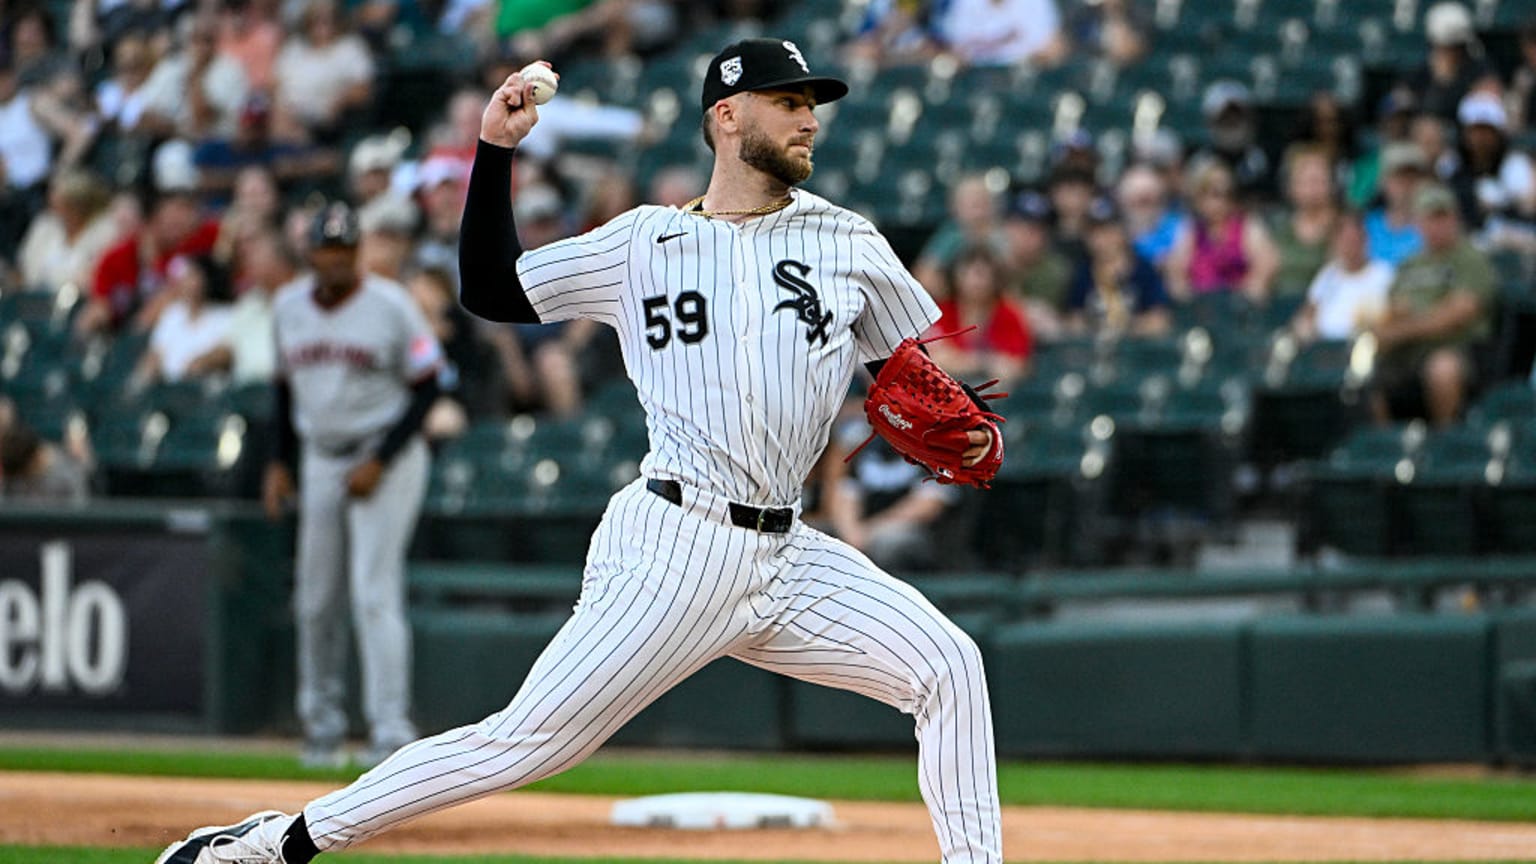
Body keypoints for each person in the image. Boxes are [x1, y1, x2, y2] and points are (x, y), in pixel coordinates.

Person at [157, 39, 1002, 864]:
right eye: (789, 103)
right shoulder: (641, 243)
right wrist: (494, 153)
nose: (808, 121)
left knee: (950, 667)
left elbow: (904, 369)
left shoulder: (848, 240)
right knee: (521, 745)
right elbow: (491, 288)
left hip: (791, 551)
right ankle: (276, 844)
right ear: (727, 114)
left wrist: (951, 415)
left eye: (811, 106)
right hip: (679, 542)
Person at [262, 202, 443, 771]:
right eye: (327, 252)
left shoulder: (390, 305)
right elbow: (283, 392)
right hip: (319, 454)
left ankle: (390, 730)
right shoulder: (288, 306)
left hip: (385, 455)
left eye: (345, 252)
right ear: (310, 253)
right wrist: (278, 462)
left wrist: (381, 459)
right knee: (315, 600)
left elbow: (430, 385)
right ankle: (321, 728)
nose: (336, 262)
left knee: (372, 592)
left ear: (357, 251)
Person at [1371, 184, 1498, 427]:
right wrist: (1388, 330)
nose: (1437, 225)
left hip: (1459, 348)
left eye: (1442, 216)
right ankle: (1386, 447)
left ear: (1455, 218)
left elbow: (1458, 312)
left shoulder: (1471, 258)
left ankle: (1443, 444)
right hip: (1407, 352)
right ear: (1417, 223)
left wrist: (1402, 329)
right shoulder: (1408, 265)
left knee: (1442, 368)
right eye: (1429, 218)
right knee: (1363, 375)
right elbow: (1391, 312)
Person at [1165, 157, 1278, 303]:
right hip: (1201, 309)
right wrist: (1186, 295)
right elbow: (1176, 275)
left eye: (1227, 193)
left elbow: (1266, 266)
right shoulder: (1190, 230)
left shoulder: (1248, 226)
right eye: (1212, 194)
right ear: (1198, 197)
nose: (1220, 201)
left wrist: (1249, 292)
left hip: (1239, 308)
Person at [926, 244, 1033, 384]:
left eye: (982, 274)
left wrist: (959, 360)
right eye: (968, 272)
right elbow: (934, 360)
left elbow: (1016, 366)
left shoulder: (1009, 314)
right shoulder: (940, 312)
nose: (975, 281)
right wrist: (984, 362)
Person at [1066, 196, 1171, 337]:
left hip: (1137, 351)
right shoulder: (1082, 274)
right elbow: (1074, 321)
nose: (1101, 240)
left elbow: (1159, 321)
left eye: (1108, 231)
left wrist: (1120, 327)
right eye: (1093, 233)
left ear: (1122, 232)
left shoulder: (1144, 271)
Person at [1290, 210, 1395, 343]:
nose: (1349, 246)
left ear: (1365, 239)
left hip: (1362, 346)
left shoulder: (1384, 273)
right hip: (1323, 347)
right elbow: (1309, 310)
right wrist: (1302, 328)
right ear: (1335, 243)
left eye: (1353, 240)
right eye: (1344, 240)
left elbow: (1391, 314)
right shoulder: (1328, 275)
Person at [1364, 142, 1429, 266]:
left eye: (1413, 177)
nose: (1407, 184)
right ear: (1383, 182)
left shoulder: (1434, 227)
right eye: (1399, 177)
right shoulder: (1366, 226)